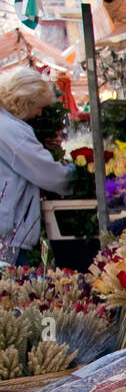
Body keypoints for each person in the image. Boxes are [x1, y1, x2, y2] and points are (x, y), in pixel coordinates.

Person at [0, 67, 73, 265]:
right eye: (38, 106)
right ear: (26, 101)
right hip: (7, 236)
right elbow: (49, 174)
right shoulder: (12, 130)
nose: (39, 113)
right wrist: (77, 174)